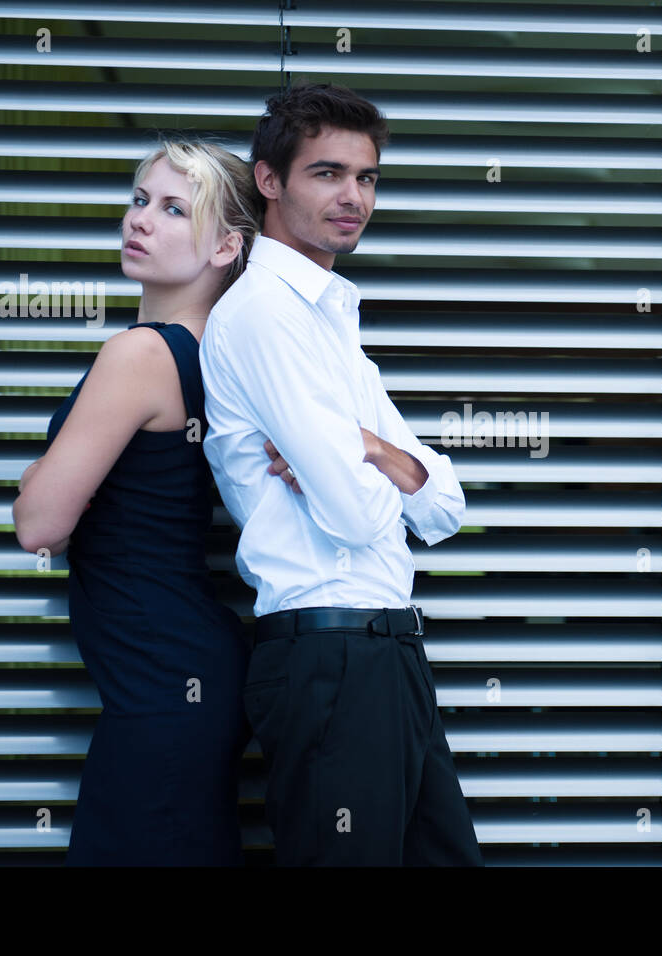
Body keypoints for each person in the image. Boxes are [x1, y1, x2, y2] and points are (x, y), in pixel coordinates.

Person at [199, 81, 483, 866]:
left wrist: (368, 448)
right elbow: (362, 519)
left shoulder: (334, 326)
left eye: (366, 177)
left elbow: (445, 508)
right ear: (269, 180)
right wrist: (380, 469)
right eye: (327, 174)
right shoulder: (264, 314)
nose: (352, 196)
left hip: (387, 654)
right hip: (331, 654)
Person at [13, 139, 262, 865]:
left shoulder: (140, 354)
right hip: (183, 670)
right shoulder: (220, 354)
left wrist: (36, 476)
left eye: (175, 209)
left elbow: (40, 523)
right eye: (140, 200)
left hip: (161, 683)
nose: (142, 220)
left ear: (226, 247)